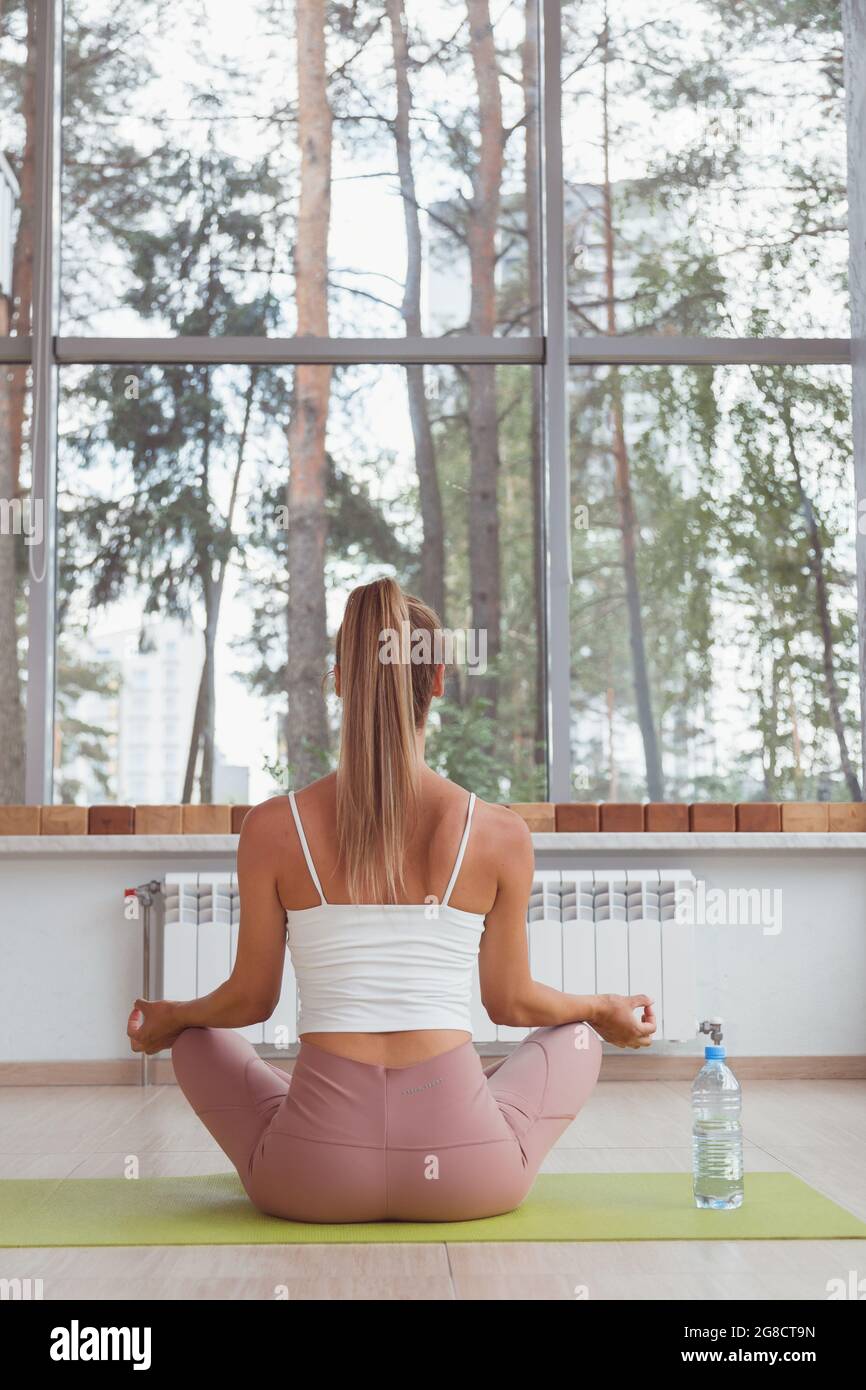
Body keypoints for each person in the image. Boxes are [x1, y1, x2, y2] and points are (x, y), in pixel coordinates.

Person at [128, 577, 655, 1222]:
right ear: (437, 680)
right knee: (578, 1039)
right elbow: (511, 1002)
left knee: (193, 1040)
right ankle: (465, 1110)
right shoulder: (499, 834)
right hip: (466, 1175)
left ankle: (336, 1120)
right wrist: (603, 1007)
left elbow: (250, 1000)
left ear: (340, 680)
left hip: (313, 1177)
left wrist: (171, 1015)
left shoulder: (271, 828)